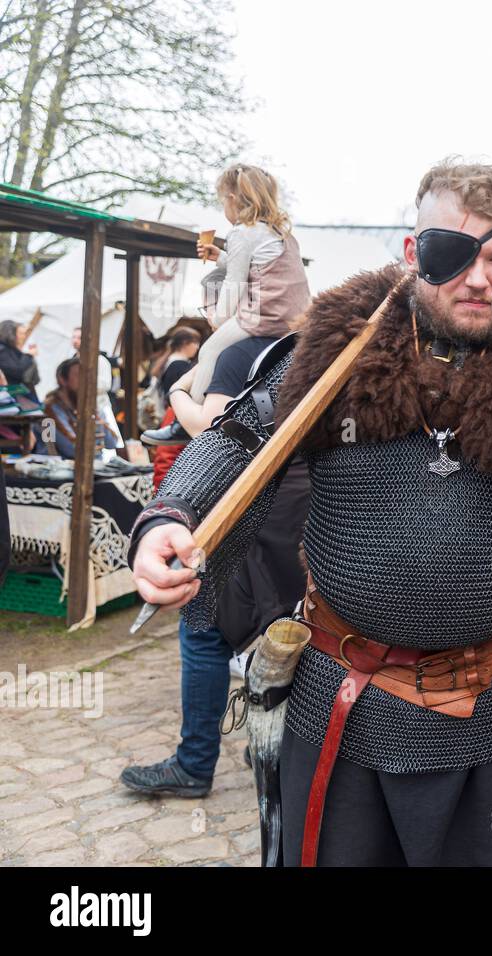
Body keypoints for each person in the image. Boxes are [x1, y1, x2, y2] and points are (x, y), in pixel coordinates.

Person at [127, 161, 492, 865]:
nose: (481, 279)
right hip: (348, 697)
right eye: (455, 256)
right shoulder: (338, 344)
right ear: (410, 253)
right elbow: (243, 438)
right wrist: (172, 515)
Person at [121, 324, 307, 798]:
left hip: (253, 521)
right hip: (296, 522)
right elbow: (226, 443)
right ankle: (272, 745)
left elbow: (222, 430)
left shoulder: (239, 352)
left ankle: (196, 763)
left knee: (205, 631)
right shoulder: (303, 347)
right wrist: (170, 510)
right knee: (286, 630)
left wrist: (180, 389)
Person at [142, 164, 310, 447]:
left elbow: (234, 281)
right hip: (292, 319)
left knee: (208, 350)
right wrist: (221, 255)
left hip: (262, 316)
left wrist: (219, 319)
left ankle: (183, 423)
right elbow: (252, 266)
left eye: (222, 201)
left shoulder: (242, 232)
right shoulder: (280, 232)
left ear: (232, 199)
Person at [146, 328, 203, 489]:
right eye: (195, 342)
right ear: (185, 344)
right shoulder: (180, 365)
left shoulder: (169, 362)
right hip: (176, 415)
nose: (197, 347)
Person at [41, 357, 115, 459]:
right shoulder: (49, 409)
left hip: (94, 468)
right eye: (78, 375)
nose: (84, 381)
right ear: (63, 380)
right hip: (61, 470)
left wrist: (95, 418)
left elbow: (111, 443)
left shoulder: (89, 406)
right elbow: (71, 449)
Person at [69, 326, 124, 450]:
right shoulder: (71, 361)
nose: (75, 340)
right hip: (78, 410)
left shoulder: (100, 360)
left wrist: (82, 385)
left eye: (79, 337)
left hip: (100, 407)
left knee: (110, 443)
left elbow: (105, 385)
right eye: (74, 337)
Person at [0, 319, 39, 390]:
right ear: (10, 334)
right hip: (10, 392)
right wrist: (29, 355)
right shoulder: (2, 350)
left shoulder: (9, 350)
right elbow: (16, 370)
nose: (24, 336)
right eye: (20, 333)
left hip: (13, 391)